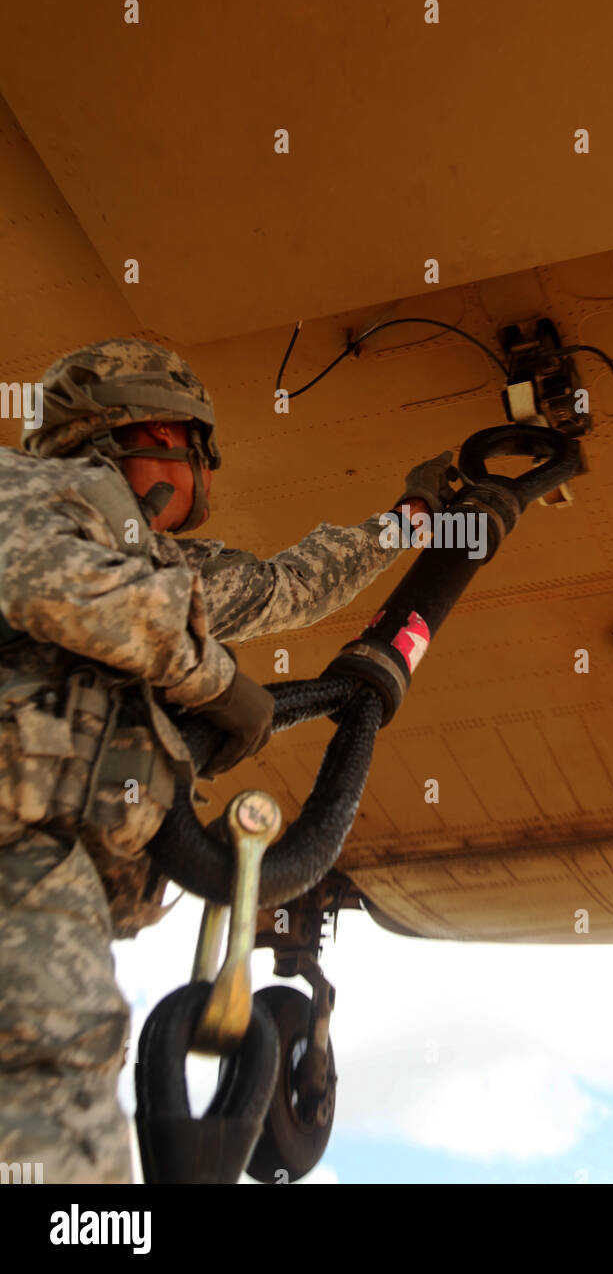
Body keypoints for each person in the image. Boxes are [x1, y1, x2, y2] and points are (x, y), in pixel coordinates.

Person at [0, 337, 454, 1184]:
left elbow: (289, 586)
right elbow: (54, 584)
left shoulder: (159, 562)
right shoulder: (28, 490)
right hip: (14, 850)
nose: (199, 466)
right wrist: (213, 683)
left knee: (64, 1075)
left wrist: (415, 520)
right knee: (46, 1086)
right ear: (154, 436)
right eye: (188, 441)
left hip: (53, 859)